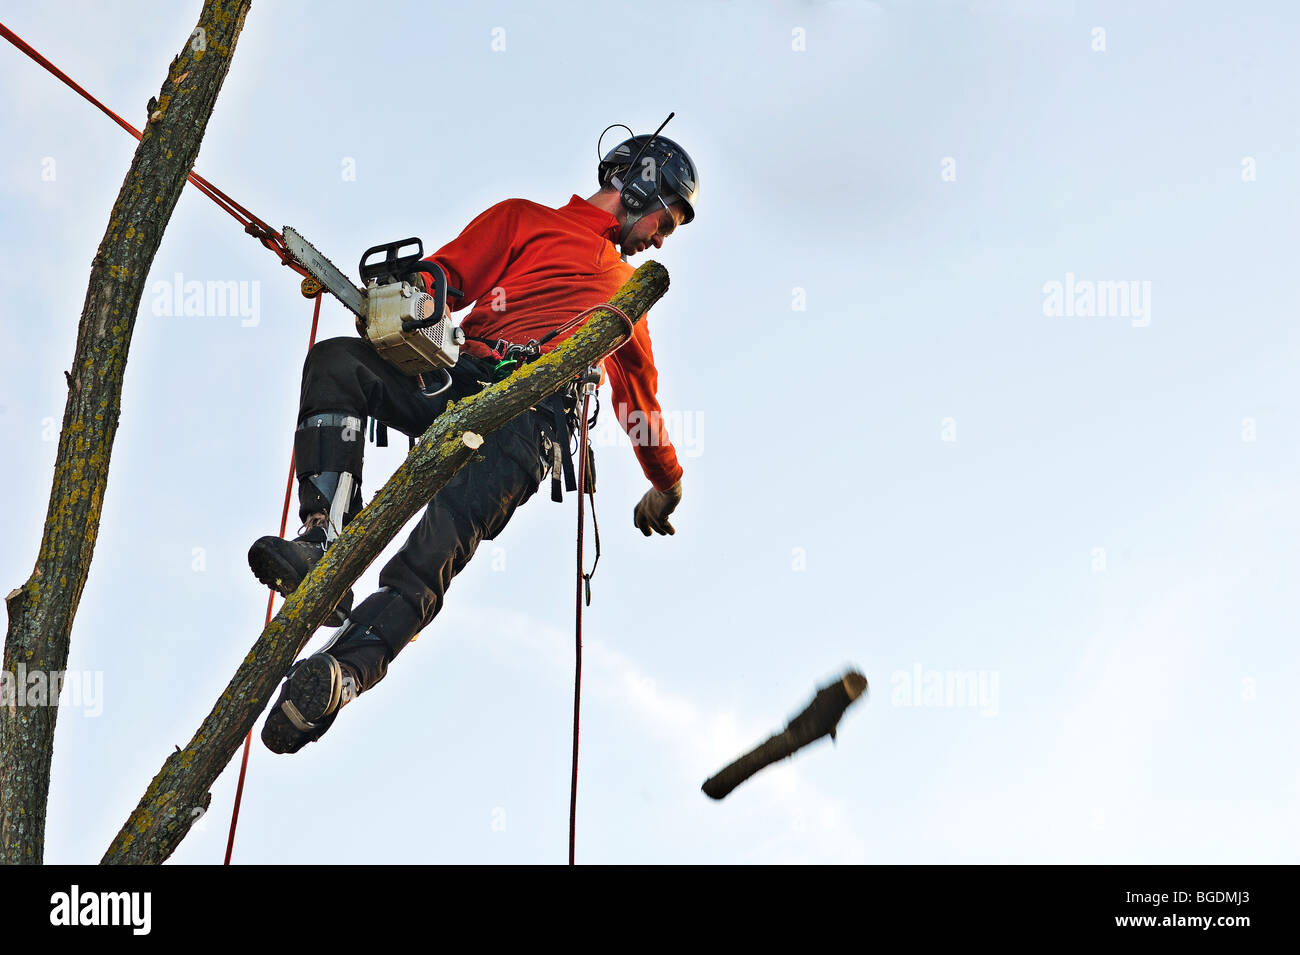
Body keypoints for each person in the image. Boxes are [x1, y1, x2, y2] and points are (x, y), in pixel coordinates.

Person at [251, 131, 699, 754]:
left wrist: (666, 483)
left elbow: (639, 405)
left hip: (531, 419)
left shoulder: (628, 293)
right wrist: (417, 294)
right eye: (664, 223)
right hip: (461, 376)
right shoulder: (524, 219)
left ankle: (340, 674)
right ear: (642, 187)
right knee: (337, 365)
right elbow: (448, 272)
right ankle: (325, 536)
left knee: (438, 543)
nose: (657, 240)